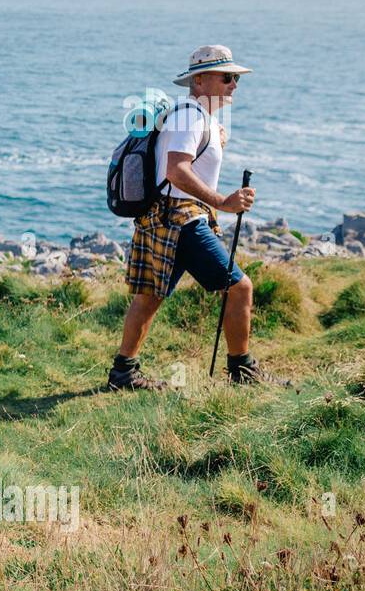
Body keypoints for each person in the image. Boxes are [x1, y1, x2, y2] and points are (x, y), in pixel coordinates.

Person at [109, 45, 271, 390]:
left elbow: (186, 163)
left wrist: (216, 140)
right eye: (227, 77)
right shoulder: (189, 117)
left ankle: (123, 373)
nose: (234, 84)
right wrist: (223, 202)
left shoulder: (199, 118)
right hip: (180, 219)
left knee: (150, 296)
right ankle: (242, 371)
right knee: (239, 287)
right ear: (199, 80)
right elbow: (176, 170)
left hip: (167, 218)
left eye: (236, 77)